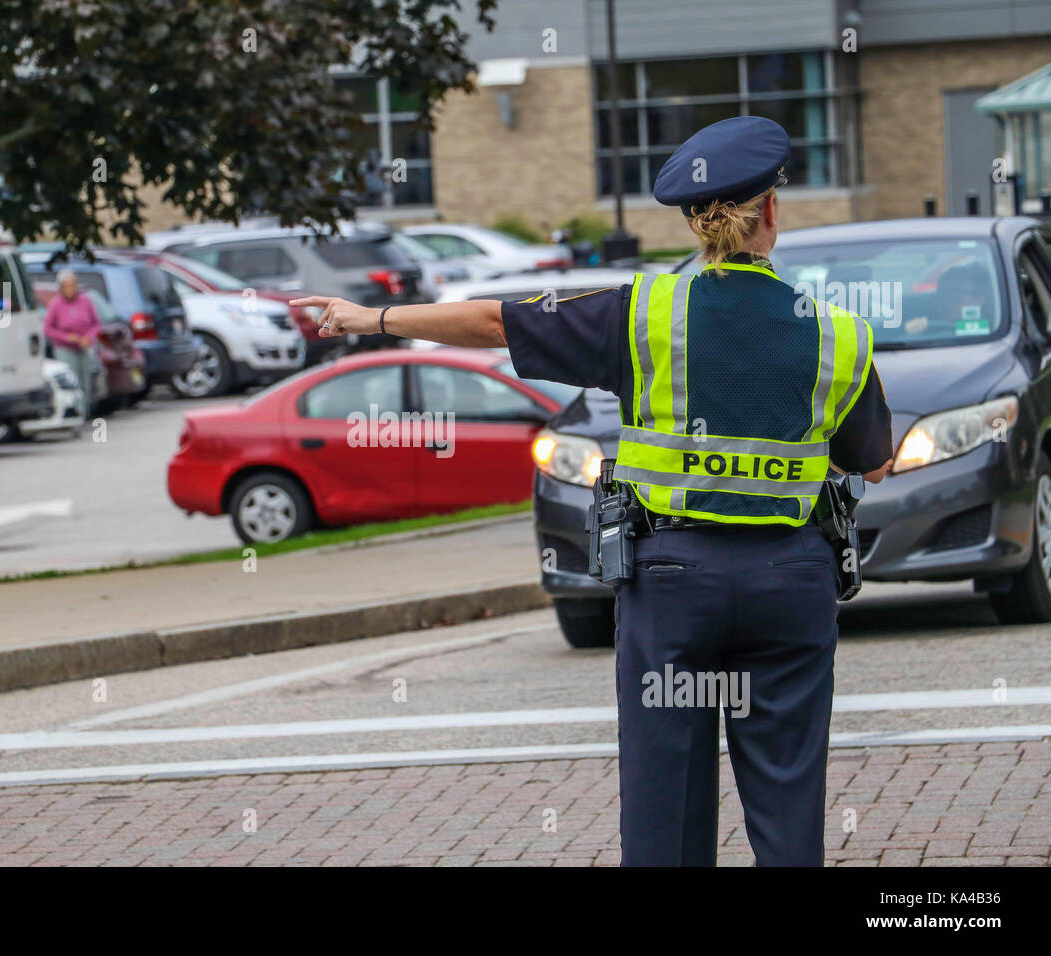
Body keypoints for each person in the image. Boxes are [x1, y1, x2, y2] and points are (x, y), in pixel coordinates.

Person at [292, 115, 894, 867]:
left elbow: (493, 321)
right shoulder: (835, 333)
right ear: (771, 211)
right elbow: (874, 464)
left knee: (664, 799)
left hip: (673, 585)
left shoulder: (641, 313)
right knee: (787, 797)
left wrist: (368, 317)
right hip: (789, 583)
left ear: (695, 221)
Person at [43, 270, 101, 419]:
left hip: (84, 346)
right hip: (65, 348)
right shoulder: (56, 304)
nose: (71, 289)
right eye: (67, 286)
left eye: (73, 285)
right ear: (61, 288)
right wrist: (67, 337)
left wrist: (88, 337)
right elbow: (48, 329)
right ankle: (72, 412)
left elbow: (96, 324)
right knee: (71, 380)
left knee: (85, 380)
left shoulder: (85, 301)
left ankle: (84, 412)